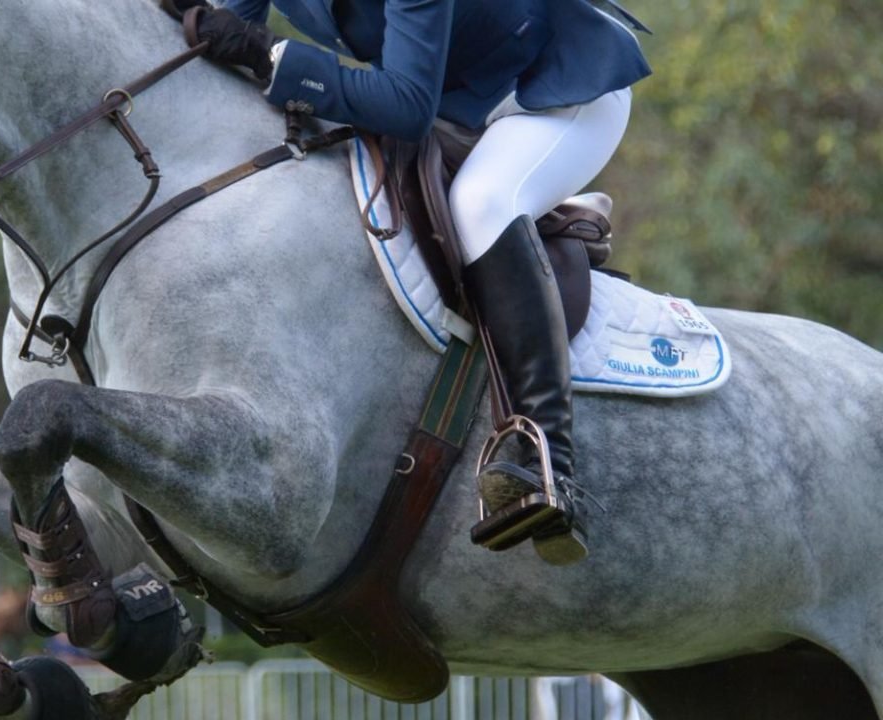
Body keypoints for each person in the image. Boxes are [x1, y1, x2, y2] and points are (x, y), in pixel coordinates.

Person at [186, 0, 651, 566]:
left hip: (555, 86)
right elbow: (222, 27)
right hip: (455, 94)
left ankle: (544, 458)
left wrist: (269, 55)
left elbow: (405, 107)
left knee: (481, 203)